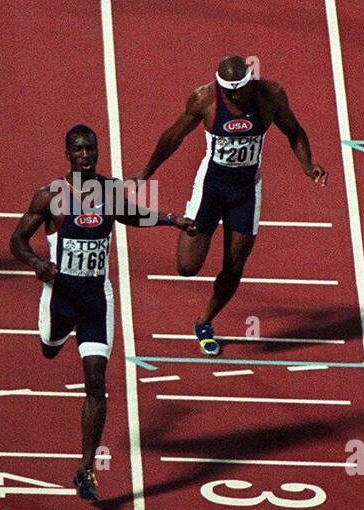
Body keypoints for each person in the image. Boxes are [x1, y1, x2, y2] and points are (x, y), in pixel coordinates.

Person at [10, 125, 194, 502]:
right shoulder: (51, 197)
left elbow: (133, 216)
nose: (86, 155)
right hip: (59, 297)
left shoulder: (109, 192)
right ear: (67, 154)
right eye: (78, 150)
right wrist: (36, 263)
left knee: (96, 382)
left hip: (96, 299)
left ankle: (86, 468)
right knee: (48, 348)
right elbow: (16, 239)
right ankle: (53, 337)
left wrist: (172, 219)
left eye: (91, 149)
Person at [133, 55, 325, 356]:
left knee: (234, 265)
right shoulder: (204, 99)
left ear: (250, 81)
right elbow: (173, 136)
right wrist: (146, 173)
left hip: (247, 191)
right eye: (229, 91)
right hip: (211, 187)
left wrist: (307, 165)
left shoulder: (270, 96)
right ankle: (200, 232)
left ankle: (205, 322)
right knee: (186, 267)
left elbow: (295, 131)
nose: (235, 96)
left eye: (240, 90)